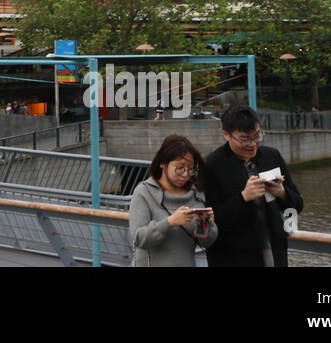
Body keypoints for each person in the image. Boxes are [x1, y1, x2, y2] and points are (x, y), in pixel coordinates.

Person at [204, 106, 303, 267]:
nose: (252, 144)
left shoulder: (271, 156)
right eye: (244, 139)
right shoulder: (212, 166)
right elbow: (210, 222)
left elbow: (297, 205)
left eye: (257, 136)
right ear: (226, 135)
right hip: (233, 257)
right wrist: (243, 198)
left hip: (275, 252)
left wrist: (282, 193)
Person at [129, 135, 218, 266]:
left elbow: (205, 242)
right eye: (180, 168)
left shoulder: (196, 195)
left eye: (191, 169)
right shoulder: (144, 192)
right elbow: (140, 239)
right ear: (163, 164)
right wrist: (170, 222)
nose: (185, 174)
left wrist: (206, 224)